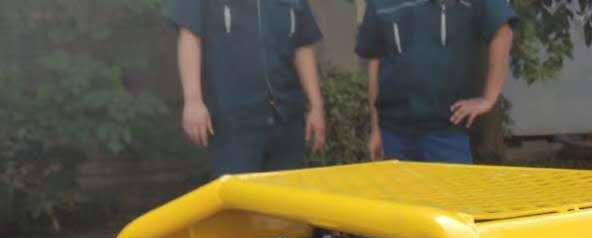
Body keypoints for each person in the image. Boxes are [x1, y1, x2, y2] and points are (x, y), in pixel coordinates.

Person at [168, 0, 327, 177]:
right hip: (233, 124)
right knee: (238, 193)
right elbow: (190, 36)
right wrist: (193, 101)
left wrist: (316, 106)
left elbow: (303, 45)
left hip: (286, 119)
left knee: (284, 193)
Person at [356, 0, 517, 164]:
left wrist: (488, 99)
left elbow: (502, 32)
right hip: (393, 134)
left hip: (448, 132)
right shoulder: (379, 4)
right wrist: (376, 129)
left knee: (452, 182)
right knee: (399, 182)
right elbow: (375, 61)